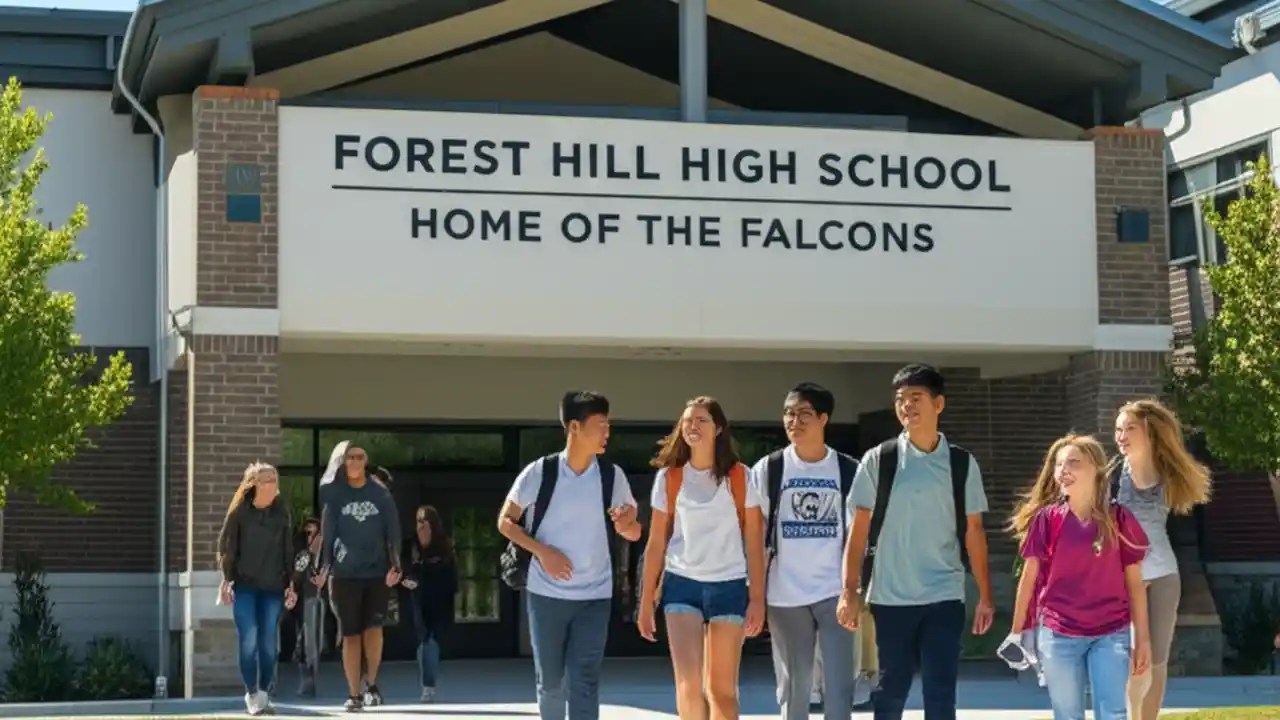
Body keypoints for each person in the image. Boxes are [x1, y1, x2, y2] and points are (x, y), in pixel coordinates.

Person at [836, 363, 994, 720]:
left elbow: (974, 532)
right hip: (891, 596)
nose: (907, 405)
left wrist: (985, 595)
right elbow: (857, 531)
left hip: (945, 594)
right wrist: (849, 590)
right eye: (901, 399)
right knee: (890, 690)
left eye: (916, 397)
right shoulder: (880, 459)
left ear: (939, 404)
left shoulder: (961, 463)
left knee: (941, 692)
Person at [497, 390, 642, 720]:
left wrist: (627, 523)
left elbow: (634, 532)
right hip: (546, 594)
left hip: (595, 595)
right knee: (550, 683)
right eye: (601, 425)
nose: (607, 433)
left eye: (609, 425)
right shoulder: (540, 473)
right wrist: (543, 552)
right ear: (574, 427)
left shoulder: (611, 476)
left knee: (585, 681)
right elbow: (505, 521)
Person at [638, 396, 767, 720]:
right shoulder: (670, 478)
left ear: (718, 428)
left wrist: (757, 599)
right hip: (682, 585)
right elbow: (655, 543)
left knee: (722, 691)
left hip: (730, 586)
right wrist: (644, 602)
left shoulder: (741, 477)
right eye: (687, 421)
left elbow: (754, 542)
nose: (692, 426)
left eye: (701, 420)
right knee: (689, 683)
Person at [1007, 434, 1152, 720]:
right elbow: (1029, 578)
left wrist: (1143, 640)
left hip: (1111, 632)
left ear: (1096, 469)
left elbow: (1135, 585)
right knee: (1067, 715)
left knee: (1113, 713)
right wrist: (1016, 632)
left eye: (1073, 463)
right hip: (1058, 632)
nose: (1063, 470)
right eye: (1059, 464)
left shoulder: (1119, 519)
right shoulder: (1047, 520)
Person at [749, 382, 859, 720]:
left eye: (804, 414)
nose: (794, 421)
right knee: (795, 686)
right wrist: (756, 596)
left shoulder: (849, 470)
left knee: (840, 686)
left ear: (824, 419)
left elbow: (859, 535)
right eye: (789, 414)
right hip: (785, 594)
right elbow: (754, 540)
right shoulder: (769, 469)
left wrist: (853, 590)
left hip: (834, 592)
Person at [1113, 399, 1212, 720]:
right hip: (1125, 579)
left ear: (1150, 433)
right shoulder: (1112, 475)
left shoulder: (1173, 476)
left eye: (1130, 428)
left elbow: (1188, 534)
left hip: (1165, 576)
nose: (1121, 435)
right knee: (1133, 659)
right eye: (1118, 429)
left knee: (1156, 660)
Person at [318, 444, 403, 712]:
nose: (355, 462)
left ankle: (372, 684)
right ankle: (353, 694)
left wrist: (396, 564)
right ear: (342, 462)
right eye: (349, 458)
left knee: (373, 630)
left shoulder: (380, 493)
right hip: (343, 575)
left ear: (366, 462)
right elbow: (328, 534)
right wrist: (325, 567)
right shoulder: (334, 494)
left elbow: (393, 530)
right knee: (350, 634)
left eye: (359, 457)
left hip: (376, 572)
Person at [216, 461, 298, 717]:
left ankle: (264, 692)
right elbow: (227, 549)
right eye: (266, 480)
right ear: (254, 485)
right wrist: (226, 581)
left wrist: (292, 584)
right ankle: (251, 693)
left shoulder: (281, 513)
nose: (272, 484)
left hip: (273, 587)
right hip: (246, 586)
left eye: (274, 479)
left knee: (268, 644)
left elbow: (288, 551)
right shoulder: (240, 513)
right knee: (248, 638)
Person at [402, 504, 459, 703]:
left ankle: (428, 686)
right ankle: (428, 684)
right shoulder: (410, 546)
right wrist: (406, 580)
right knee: (423, 643)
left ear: (433, 525)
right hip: (417, 601)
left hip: (439, 601)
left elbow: (452, 579)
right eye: (418, 522)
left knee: (430, 642)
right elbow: (402, 570)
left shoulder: (444, 546)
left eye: (424, 522)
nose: (420, 527)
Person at [292, 517, 326, 698]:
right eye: (307, 533)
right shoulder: (304, 555)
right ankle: (307, 680)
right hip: (306, 602)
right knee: (305, 642)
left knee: (318, 641)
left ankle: (314, 678)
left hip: (323, 602)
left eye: (313, 533)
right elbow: (296, 577)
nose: (310, 537)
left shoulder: (327, 556)